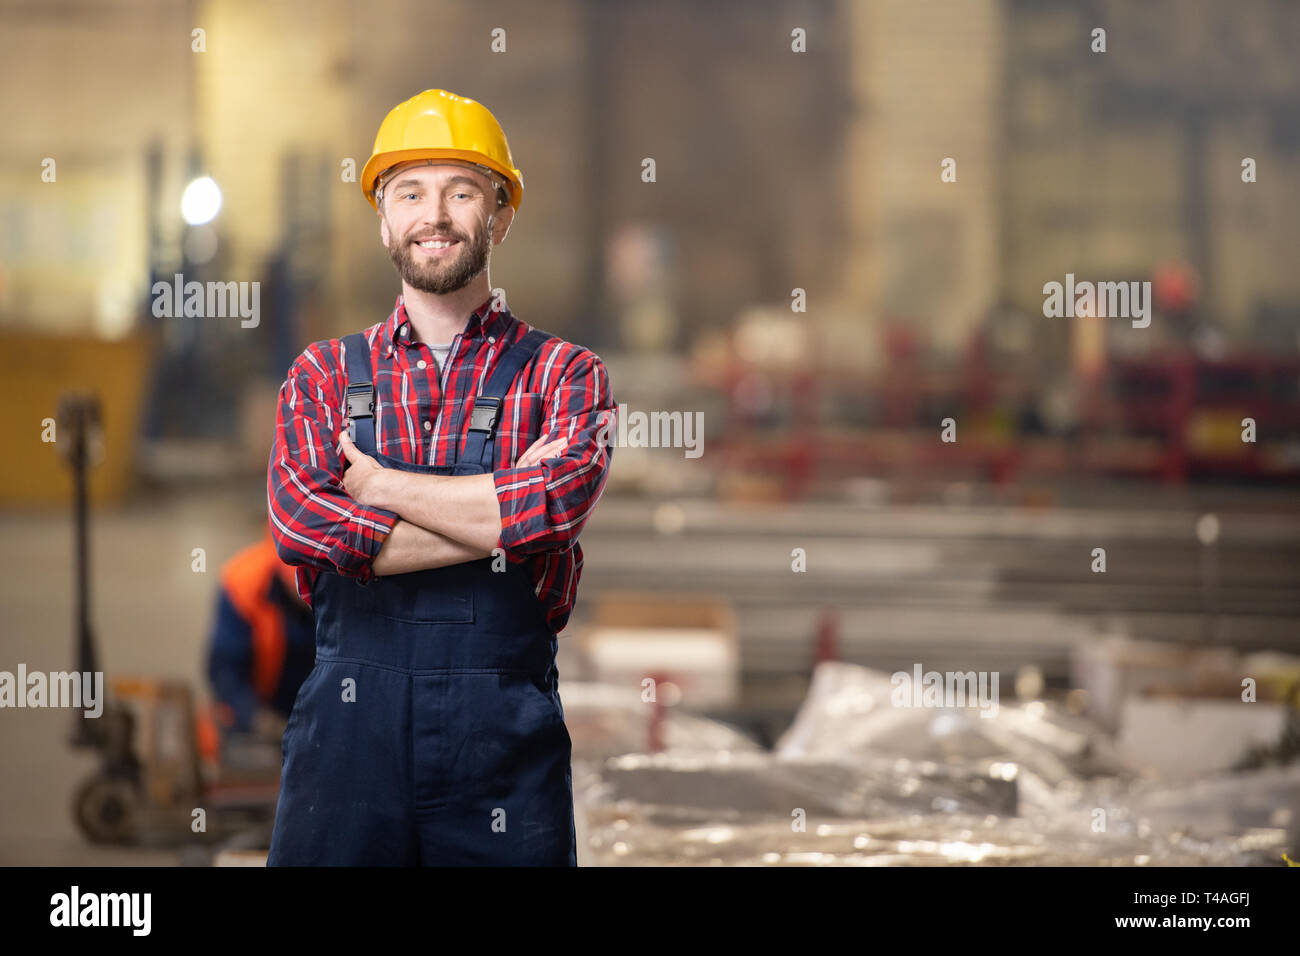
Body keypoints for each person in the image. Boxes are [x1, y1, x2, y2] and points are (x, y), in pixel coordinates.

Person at [265, 89, 615, 865]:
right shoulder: (321, 376)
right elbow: (300, 528)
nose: (437, 214)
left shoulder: (568, 376)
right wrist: (496, 511)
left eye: (462, 191)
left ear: (502, 215)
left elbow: (552, 510)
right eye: (410, 193)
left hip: (501, 753)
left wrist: (378, 486)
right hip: (347, 743)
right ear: (383, 217)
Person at [204, 530, 315, 742]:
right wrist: (258, 720)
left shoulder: (355, 579)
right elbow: (225, 671)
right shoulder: (242, 584)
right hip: (262, 715)